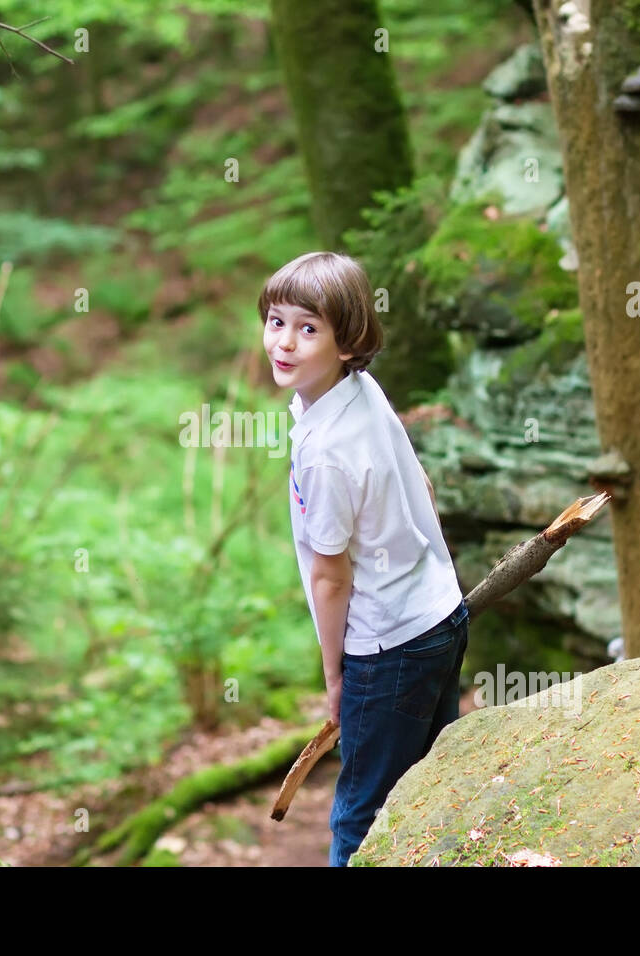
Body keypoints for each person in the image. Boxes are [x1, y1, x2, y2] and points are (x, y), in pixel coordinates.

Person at [259, 250, 470, 867]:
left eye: (308, 328)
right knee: (431, 784)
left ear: (348, 342)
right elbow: (420, 485)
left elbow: (331, 578)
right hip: (439, 614)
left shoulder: (326, 452)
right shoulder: (356, 391)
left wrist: (335, 678)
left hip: (389, 645)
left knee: (360, 814)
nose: (285, 342)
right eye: (276, 320)